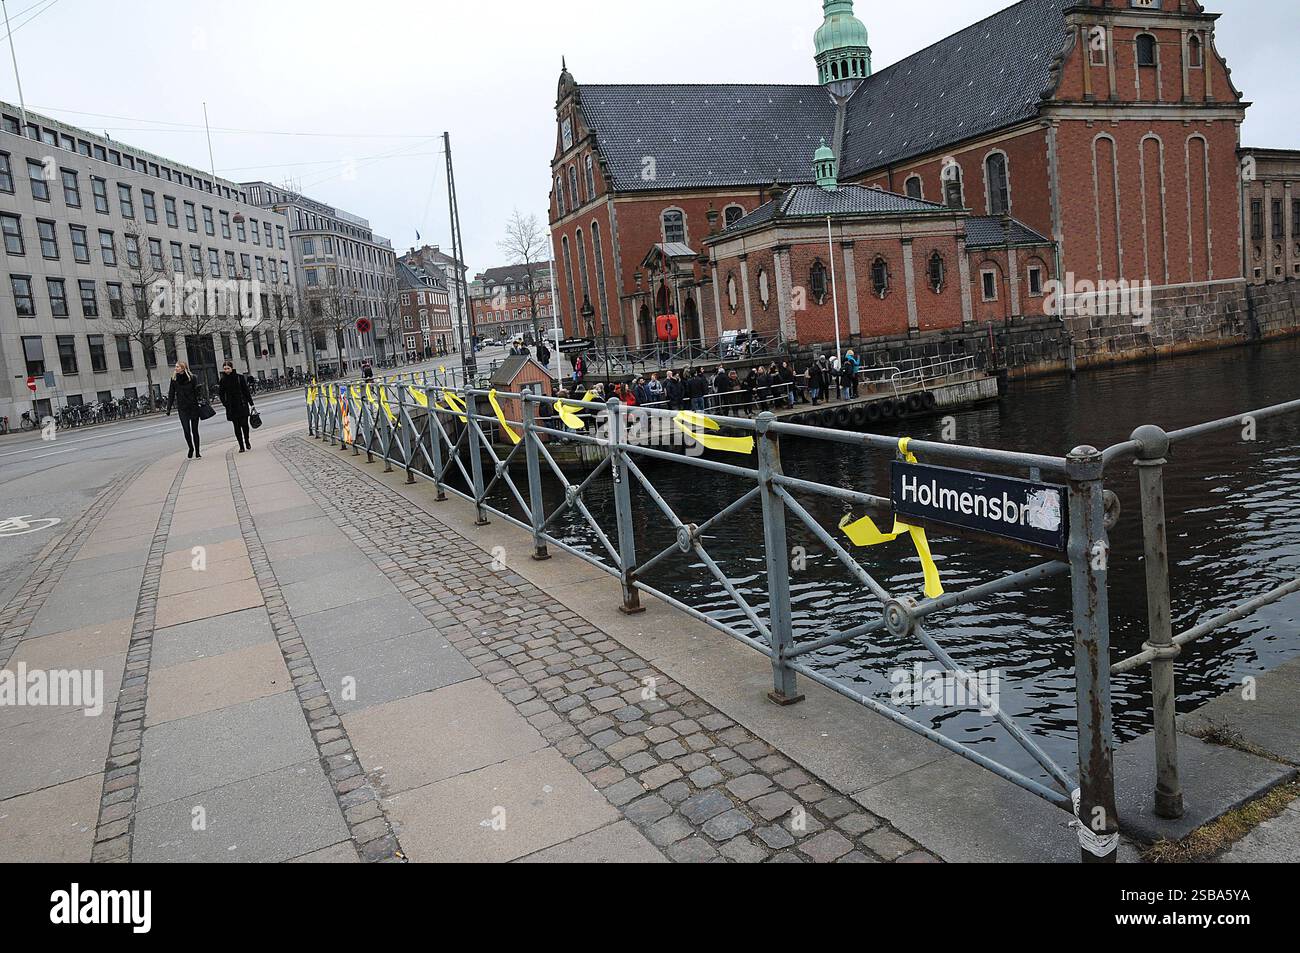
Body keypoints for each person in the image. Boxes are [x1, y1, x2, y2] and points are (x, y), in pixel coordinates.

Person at [166, 361, 204, 459]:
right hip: (182, 408)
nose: (176, 368)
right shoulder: (174, 379)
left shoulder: (192, 378)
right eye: (175, 366)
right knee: (186, 430)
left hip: (193, 407)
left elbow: (197, 392)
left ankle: (197, 451)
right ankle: (191, 448)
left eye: (178, 367)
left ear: (183, 368)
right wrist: (168, 408)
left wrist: (200, 399)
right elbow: (171, 394)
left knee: (195, 430)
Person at [218, 360, 255, 453]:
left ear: (232, 368)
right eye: (225, 369)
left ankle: (246, 440)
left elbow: (246, 391)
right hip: (231, 407)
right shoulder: (223, 380)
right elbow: (221, 394)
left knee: (245, 425)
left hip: (242, 404)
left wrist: (251, 404)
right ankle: (241, 445)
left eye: (228, 368)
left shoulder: (240, 377)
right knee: (236, 427)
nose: (226, 370)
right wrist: (225, 404)